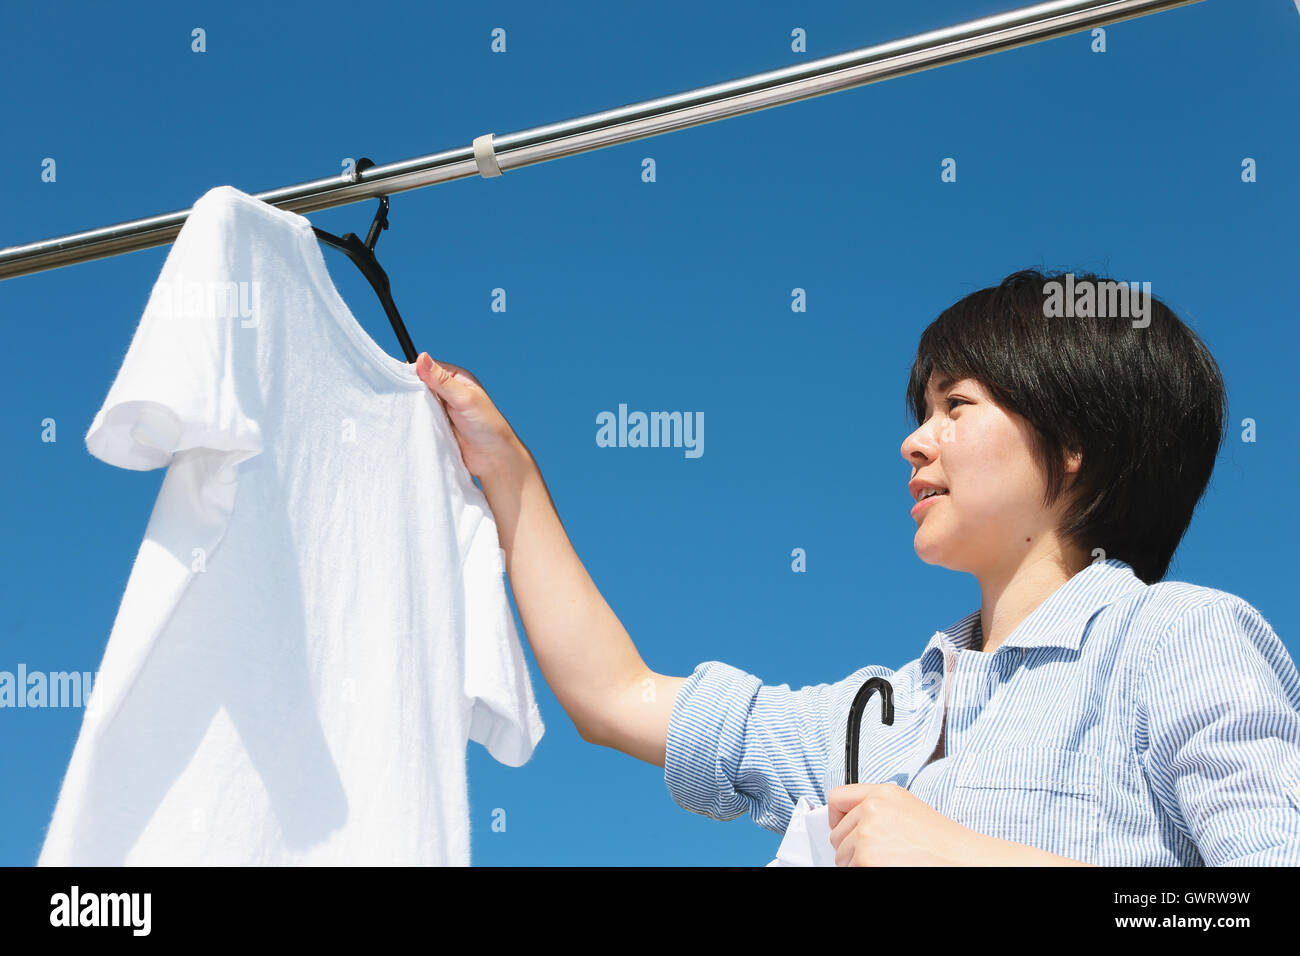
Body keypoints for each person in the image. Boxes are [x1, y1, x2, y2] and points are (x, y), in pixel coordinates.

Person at [412, 268, 1300, 866]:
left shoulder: (1176, 639)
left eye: (958, 404)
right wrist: (509, 474)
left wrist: (961, 856)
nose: (916, 440)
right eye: (924, 408)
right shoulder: (879, 718)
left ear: (1073, 444)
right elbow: (612, 697)